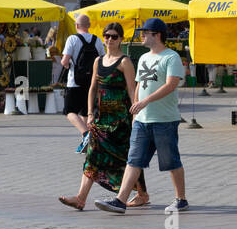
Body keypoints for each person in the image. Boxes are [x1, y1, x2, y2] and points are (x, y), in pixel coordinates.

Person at [96, 19, 188, 214]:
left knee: (171, 161)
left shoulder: (171, 57)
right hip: (142, 120)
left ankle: (181, 199)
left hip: (164, 119)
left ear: (157, 35)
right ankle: (120, 200)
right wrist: (137, 107)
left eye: (145, 33)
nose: (142, 36)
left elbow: (171, 84)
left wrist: (146, 101)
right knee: (133, 160)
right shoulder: (144, 57)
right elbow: (138, 84)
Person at [58, 24, 149, 211]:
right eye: (106, 36)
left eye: (114, 37)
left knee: (127, 157)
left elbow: (132, 90)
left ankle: (142, 194)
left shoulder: (125, 62)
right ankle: (80, 198)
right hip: (101, 119)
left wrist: (135, 116)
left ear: (121, 39)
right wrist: (90, 114)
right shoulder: (98, 60)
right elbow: (93, 88)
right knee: (93, 155)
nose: (109, 40)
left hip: (121, 119)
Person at [60, 14, 100, 151]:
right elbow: (101, 60)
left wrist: (66, 65)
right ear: (89, 25)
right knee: (85, 112)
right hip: (91, 82)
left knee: (69, 111)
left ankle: (86, 134)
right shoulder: (97, 39)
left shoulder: (72, 39)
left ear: (77, 25)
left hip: (75, 82)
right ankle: (89, 143)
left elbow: (65, 61)